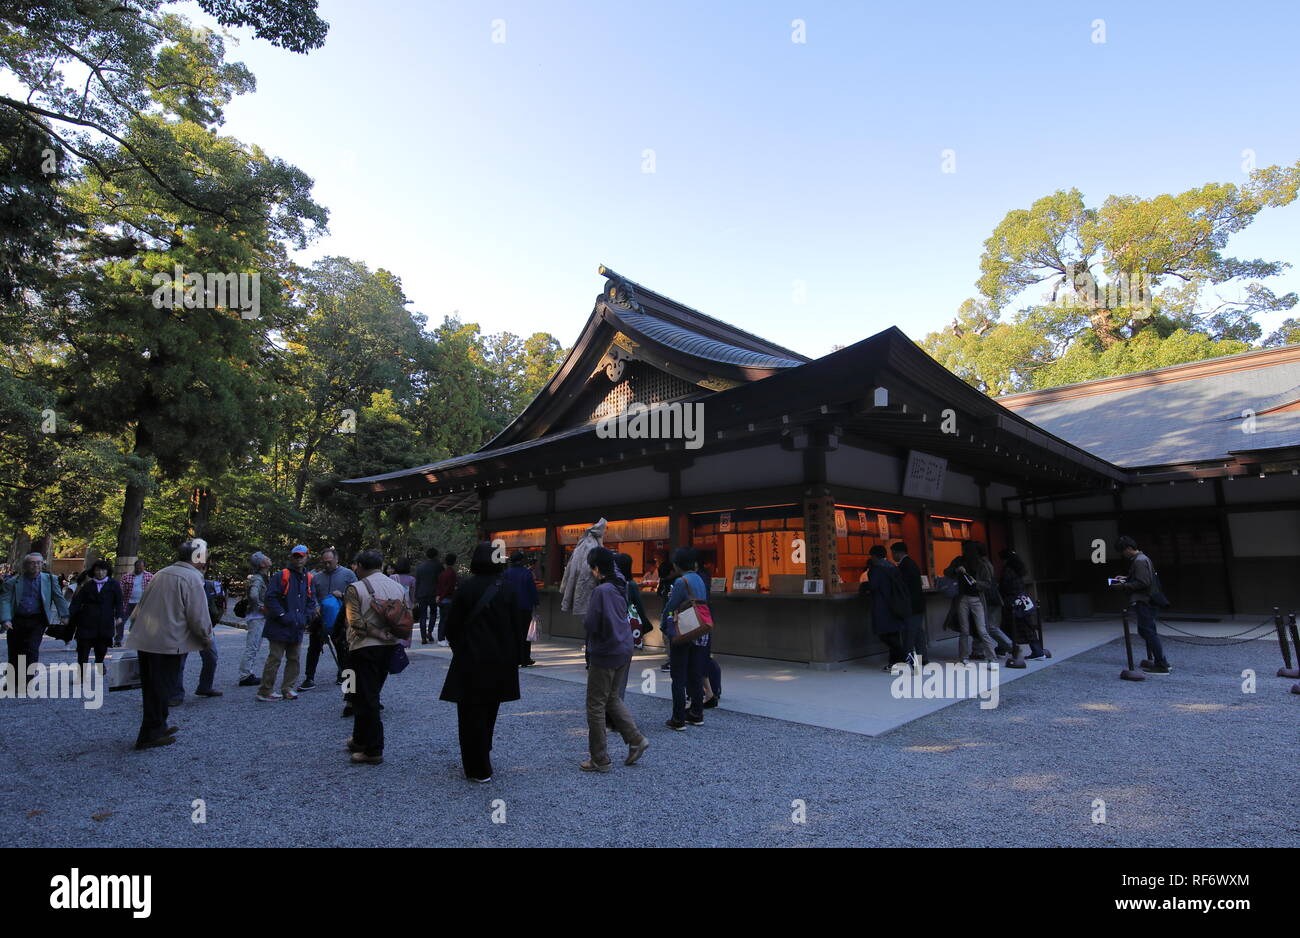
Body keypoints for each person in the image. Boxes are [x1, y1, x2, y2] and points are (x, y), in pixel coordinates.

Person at [439, 542, 521, 783]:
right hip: (500, 660)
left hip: (471, 659)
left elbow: (452, 626)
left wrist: (461, 648)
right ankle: (484, 753)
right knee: (489, 710)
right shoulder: (508, 588)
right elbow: (518, 626)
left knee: (469, 712)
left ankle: (476, 766)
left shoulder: (466, 588)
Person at [124, 540, 213, 750]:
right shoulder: (192, 578)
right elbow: (198, 616)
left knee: (153, 687)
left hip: (147, 638)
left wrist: (133, 628)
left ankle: (159, 725)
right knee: (162, 688)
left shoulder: (162, 573)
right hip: (168, 641)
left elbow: (141, 605)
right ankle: (150, 734)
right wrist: (207, 639)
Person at [579, 547, 649, 772]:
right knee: (612, 698)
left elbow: (591, 623)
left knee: (595, 705)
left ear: (597, 568)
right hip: (623, 647)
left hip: (606, 649)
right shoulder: (622, 586)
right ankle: (636, 739)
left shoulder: (602, 591)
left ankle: (600, 757)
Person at [342, 549, 405, 765]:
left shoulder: (355, 588)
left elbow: (355, 622)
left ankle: (373, 749)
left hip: (363, 647)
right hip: (390, 647)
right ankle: (359, 739)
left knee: (366, 698)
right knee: (368, 693)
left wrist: (376, 633)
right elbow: (405, 616)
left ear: (360, 566)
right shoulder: (397, 587)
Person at [257, 545, 317, 702]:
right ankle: (265, 690)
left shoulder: (308, 577)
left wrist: (307, 617)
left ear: (307, 557)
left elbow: (311, 600)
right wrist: (282, 615)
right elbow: (271, 597)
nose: (298, 558)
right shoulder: (281, 575)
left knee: (294, 658)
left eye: (301, 556)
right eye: (295, 556)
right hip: (280, 624)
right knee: (275, 657)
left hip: (297, 625)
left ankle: (288, 688)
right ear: (291, 557)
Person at [0, 552, 70, 680]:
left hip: (37, 619)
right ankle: (13, 677)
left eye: (39, 562)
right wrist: (5, 619)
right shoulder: (13, 582)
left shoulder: (50, 579)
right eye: (32, 563)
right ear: (25, 566)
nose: (36, 565)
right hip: (17, 619)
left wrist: (64, 615)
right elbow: (4, 600)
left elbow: (58, 598)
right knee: (15, 649)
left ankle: (28, 678)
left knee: (31, 648)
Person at [661, 547, 710, 730]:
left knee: (678, 676)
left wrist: (664, 626)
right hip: (700, 629)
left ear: (677, 565)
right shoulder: (699, 578)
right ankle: (697, 713)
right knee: (694, 674)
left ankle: (678, 717)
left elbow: (671, 606)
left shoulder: (682, 581)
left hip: (684, 630)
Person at [945, 541, 1013, 664]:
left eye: (966, 549)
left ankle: (992, 657)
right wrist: (956, 570)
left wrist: (977, 583)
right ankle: (964, 656)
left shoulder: (982, 564)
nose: (964, 552)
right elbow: (947, 572)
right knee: (965, 630)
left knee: (983, 629)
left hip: (978, 598)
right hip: (963, 598)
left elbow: (988, 583)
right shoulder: (959, 561)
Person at [1112, 536, 1171, 674]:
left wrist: (1124, 586)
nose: (1123, 554)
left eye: (1122, 551)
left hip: (1144, 600)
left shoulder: (1139, 561)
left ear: (1128, 549)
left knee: (1148, 632)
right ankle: (1160, 661)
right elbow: (1143, 579)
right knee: (1147, 631)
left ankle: (1161, 664)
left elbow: (1143, 582)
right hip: (1147, 600)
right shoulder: (1142, 558)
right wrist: (1125, 578)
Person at [302, 548, 355, 690]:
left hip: (341, 617)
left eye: (329, 562)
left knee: (343, 648)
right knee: (314, 648)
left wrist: (343, 595)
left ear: (336, 560)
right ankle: (309, 678)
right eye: (324, 562)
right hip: (320, 618)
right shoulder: (317, 577)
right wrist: (316, 607)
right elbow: (311, 596)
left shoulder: (348, 574)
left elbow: (356, 594)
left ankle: (345, 678)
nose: (326, 565)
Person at [68, 559, 124, 670]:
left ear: (107, 571)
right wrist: (68, 615)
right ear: (93, 571)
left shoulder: (114, 585)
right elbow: (77, 602)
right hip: (86, 621)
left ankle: (99, 662)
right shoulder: (88, 585)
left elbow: (119, 602)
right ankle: (81, 673)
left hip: (104, 621)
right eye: (97, 570)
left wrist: (119, 616)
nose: (100, 573)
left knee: (101, 649)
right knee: (83, 649)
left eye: (103, 570)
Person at [860, 545, 908, 671]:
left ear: (874, 556)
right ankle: (894, 663)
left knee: (884, 635)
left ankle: (906, 655)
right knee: (894, 634)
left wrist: (864, 586)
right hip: (895, 604)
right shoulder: (893, 567)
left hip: (883, 606)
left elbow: (874, 586)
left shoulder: (876, 569)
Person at [999, 548, 1047, 661]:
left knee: (1013, 626)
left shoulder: (1008, 570)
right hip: (1023, 600)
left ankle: (1036, 651)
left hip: (1013, 602)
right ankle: (1002, 649)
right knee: (1024, 626)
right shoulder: (1018, 568)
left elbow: (1005, 587)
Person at [891, 541, 928, 667]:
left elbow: (902, 586)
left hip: (911, 605)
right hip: (917, 604)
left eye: (893, 553)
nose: (892, 555)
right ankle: (922, 657)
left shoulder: (905, 566)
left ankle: (908, 659)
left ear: (898, 552)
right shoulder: (911, 563)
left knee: (909, 633)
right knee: (917, 633)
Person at [560, 518, 607, 617]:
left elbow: (571, 570)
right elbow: (588, 571)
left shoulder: (583, 545)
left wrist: (564, 587)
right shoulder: (592, 546)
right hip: (590, 589)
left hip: (586, 589)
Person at [505, 551, 540, 667]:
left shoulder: (507, 573)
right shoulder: (527, 573)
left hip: (510, 607)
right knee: (525, 633)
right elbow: (532, 590)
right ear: (521, 561)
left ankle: (513, 657)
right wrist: (536, 603)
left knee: (512, 632)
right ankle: (525, 658)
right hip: (525, 607)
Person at [118, 559, 153, 644]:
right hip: (127, 603)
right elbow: (120, 590)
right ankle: (118, 640)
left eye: (140, 568)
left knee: (139, 623)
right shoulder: (126, 577)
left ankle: (137, 639)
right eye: (137, 568)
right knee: (121, 621)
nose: (138, 570)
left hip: (141, 604)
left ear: (144, 567)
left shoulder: (150, 576)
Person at [414, 547, 443, 644]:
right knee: (433, 613)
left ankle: (423, 638)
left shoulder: (420, 567)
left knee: (422, 616)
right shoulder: (438, 566)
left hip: (421, 593)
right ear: (436, 555)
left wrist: (416, 595)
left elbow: (417, 582)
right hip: (433, 593)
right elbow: (441, 581)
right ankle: (429, 632)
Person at [435, 553, 458, 646]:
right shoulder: (451, 573)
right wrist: (442, 596)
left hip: (442, 599)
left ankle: (442, 638)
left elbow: (439, 586)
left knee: (443, 620)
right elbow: (449, 587)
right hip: (448, 599)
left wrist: (438, 596)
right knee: (446, 620)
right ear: (454, 562)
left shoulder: (442, 573)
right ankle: (442, 638)